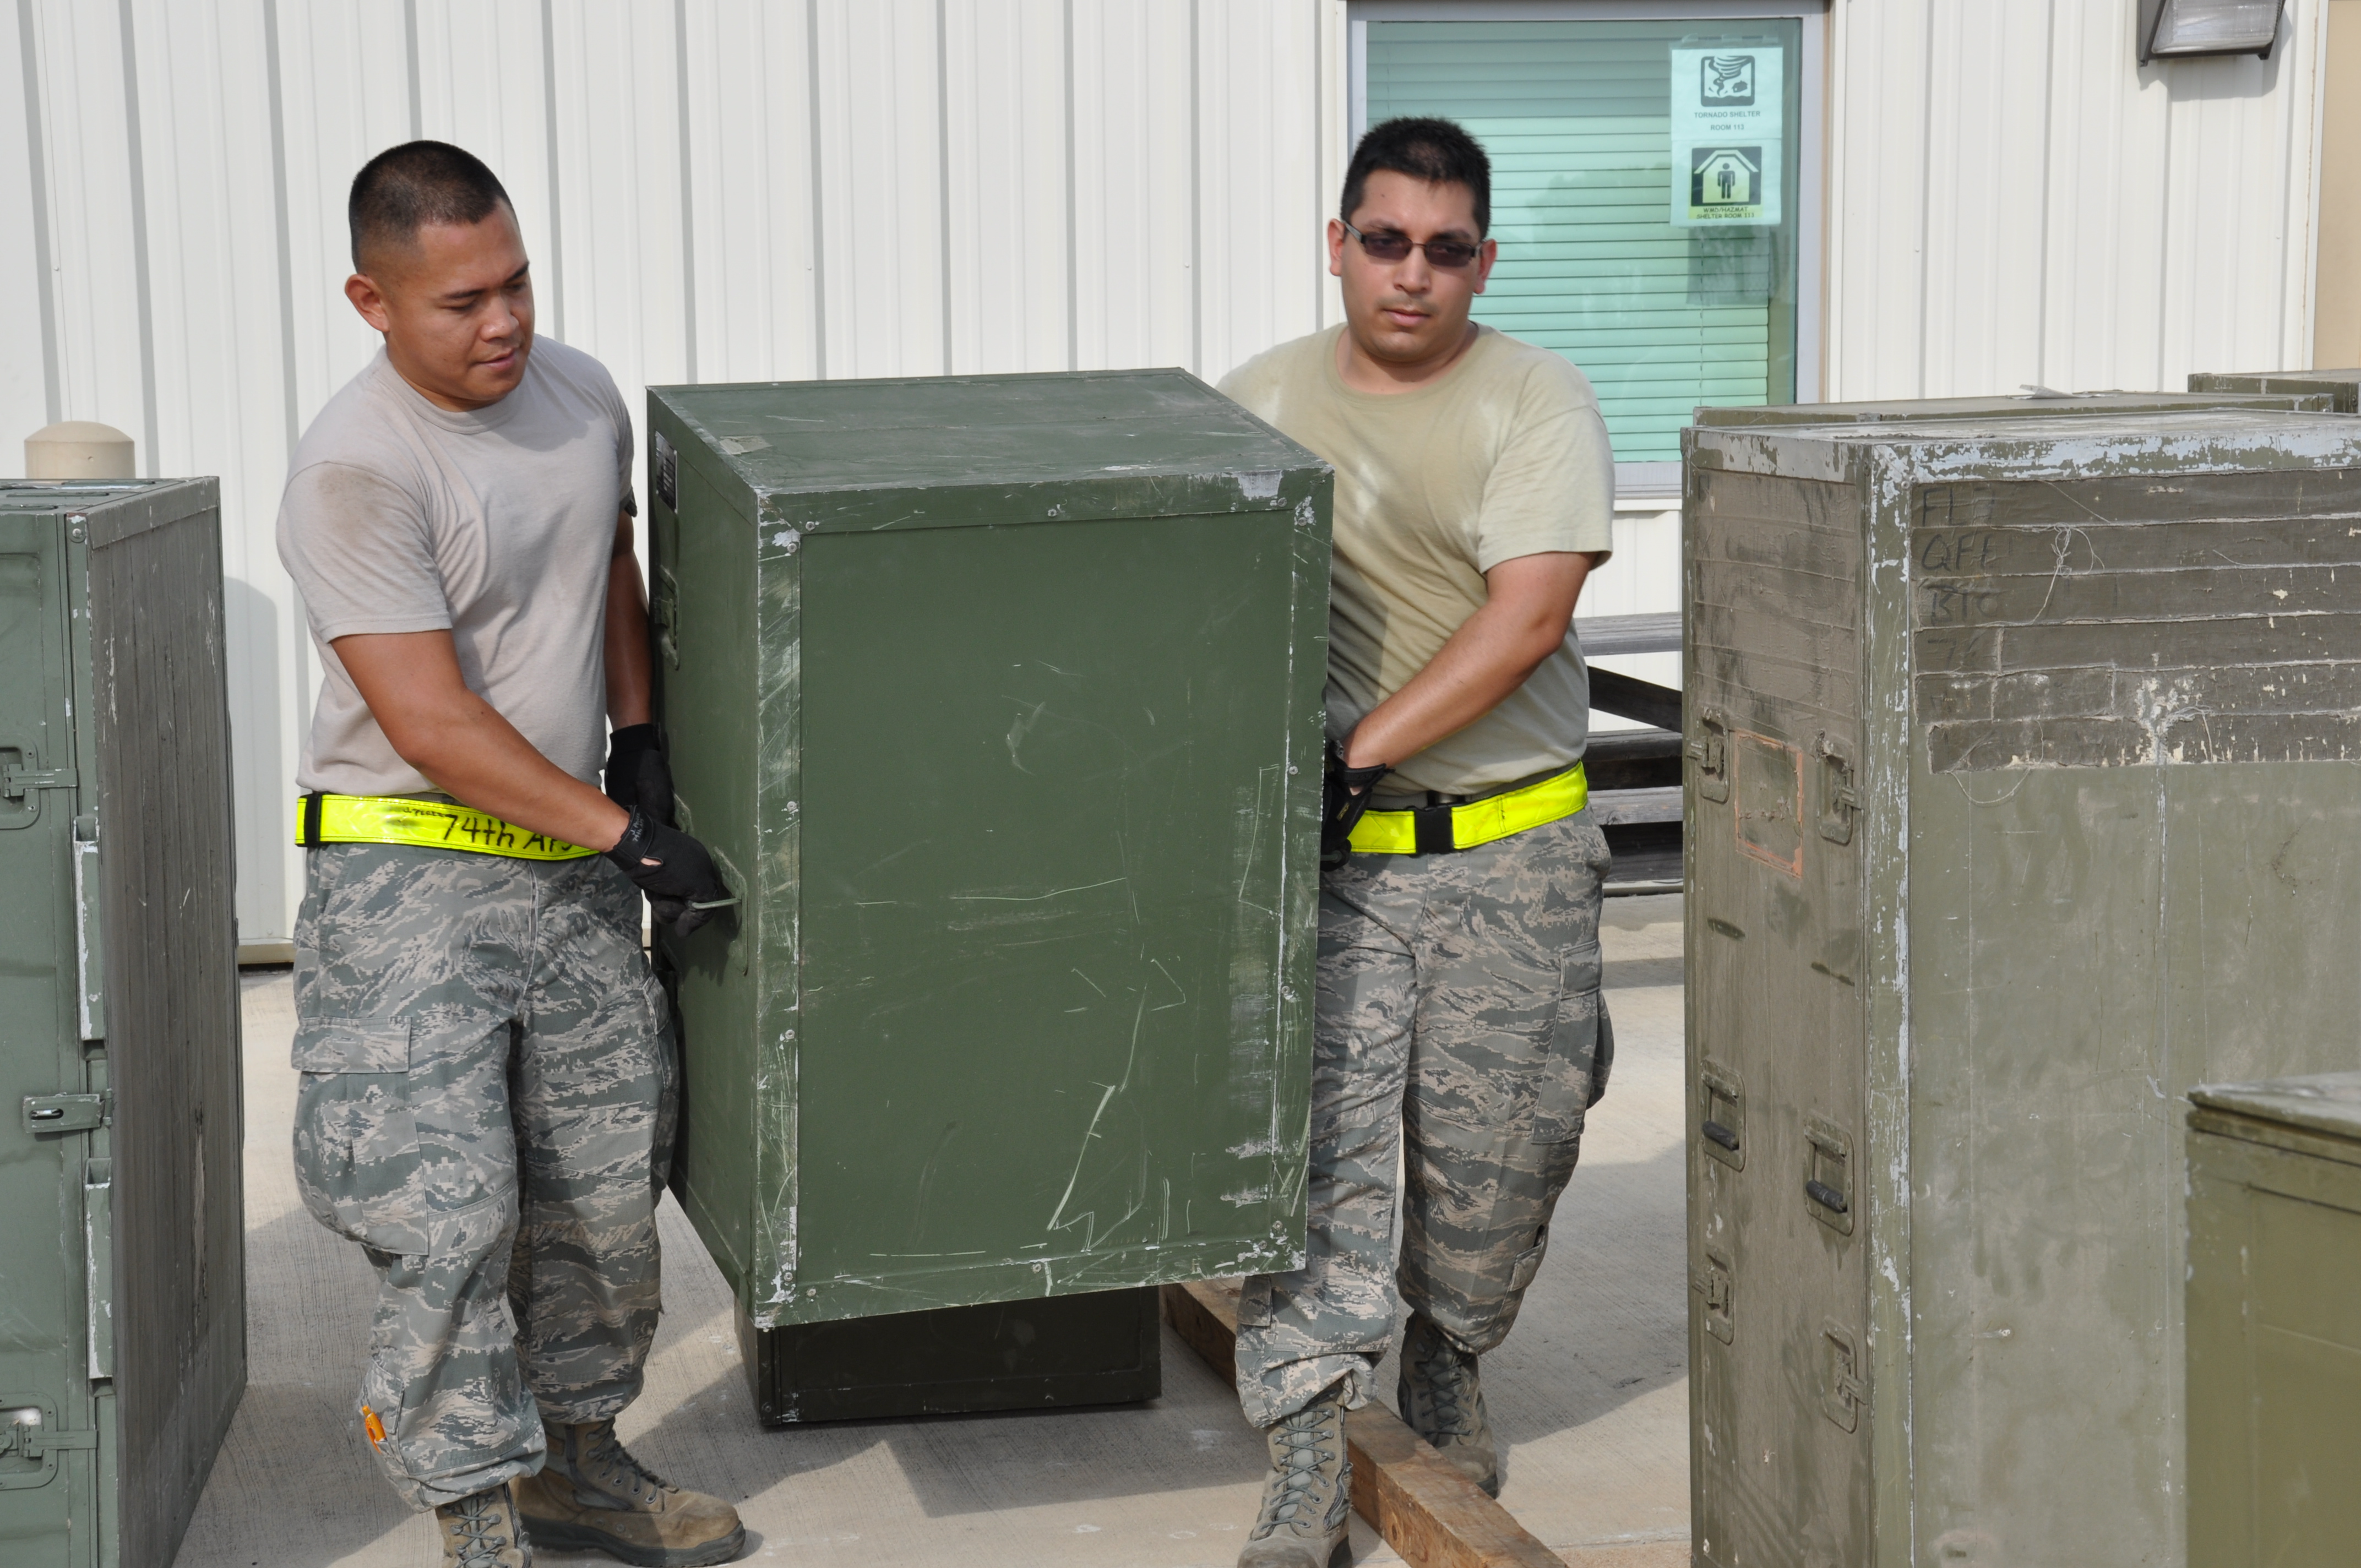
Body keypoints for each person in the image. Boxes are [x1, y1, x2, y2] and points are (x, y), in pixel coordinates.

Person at [277, 140, 743, 1568]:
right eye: (461, 301)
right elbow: (427, 721)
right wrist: (629, 833)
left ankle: (581, 1468)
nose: (504, 325)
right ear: (373, 299)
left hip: (569, 875)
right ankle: (478, 1518)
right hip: (410, 882)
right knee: (449, 1216)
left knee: (604, 1195)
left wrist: (642, 733)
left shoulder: (578, 394)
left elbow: (605, 556)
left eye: (519, 282)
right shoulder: (357, 471)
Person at [1217, 117, 1617, 1568]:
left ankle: (1452, 1349)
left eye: (1447, 251)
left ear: (1483, 263)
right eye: (1383, 242)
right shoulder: (1255, 401)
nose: (1412, 276)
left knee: (1494, 1173)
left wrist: (1356, 748)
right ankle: (1311, 1439)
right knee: (1319, 1158)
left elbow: (1527, 620)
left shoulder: (1537, 403)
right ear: (1338, 243)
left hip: (1510, 854)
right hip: (1337, 867)